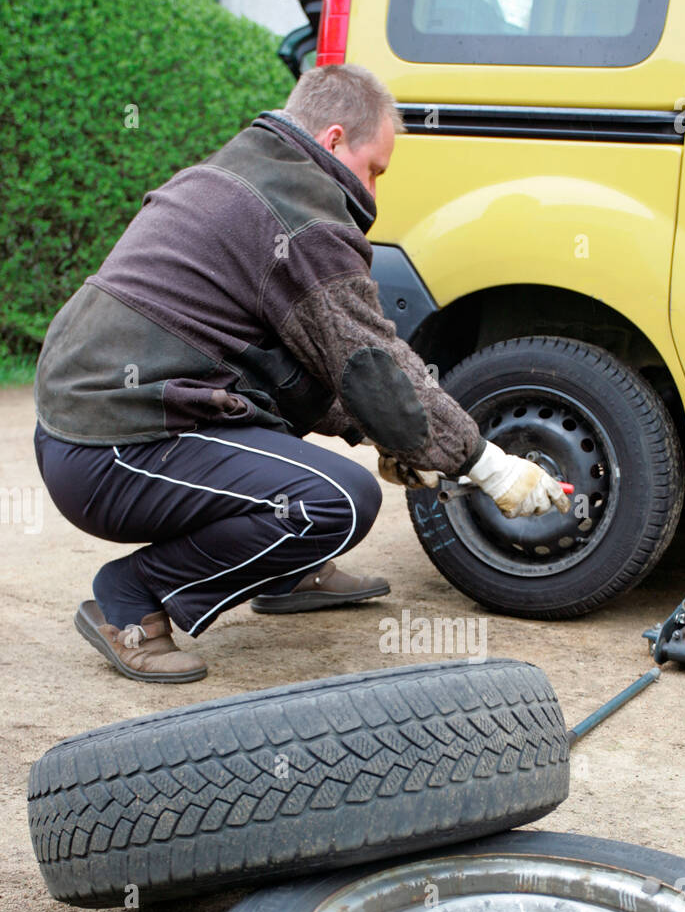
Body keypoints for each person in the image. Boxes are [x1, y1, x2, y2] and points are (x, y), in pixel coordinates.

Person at [33, 64, 568, 683]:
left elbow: (295, 370)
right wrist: (488, 464)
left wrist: (387, 433)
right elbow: (372, 365)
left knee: (296, 446)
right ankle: (128, 597)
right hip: (111, 446)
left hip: (95, 422)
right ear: (335, 140)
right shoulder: (302, 217)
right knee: (340, 499)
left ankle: (288, 571)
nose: (374, 189)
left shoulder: (237, 173)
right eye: (375, 170)